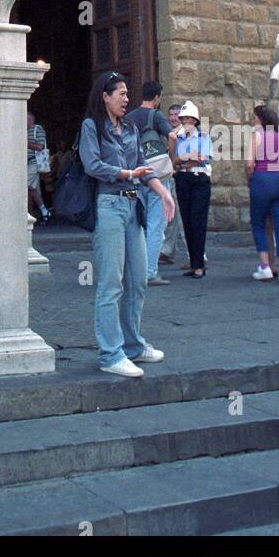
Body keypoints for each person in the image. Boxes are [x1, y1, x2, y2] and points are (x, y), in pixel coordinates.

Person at [80, 70, 175, 377]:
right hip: (108, 205)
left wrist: (162, 193)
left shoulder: (131, 127)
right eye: (120, 93)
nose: (126, 98)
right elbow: (92, 165)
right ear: (104, 97)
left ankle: (133, 345)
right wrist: (125, 175)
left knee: (138, 280)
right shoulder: (92, 126)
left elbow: (142, 168)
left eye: (126, 93)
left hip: (133, 206)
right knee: (111, 283)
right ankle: (110, 354)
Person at [126, 82, 178, 287]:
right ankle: (149, 272)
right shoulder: (155, 115)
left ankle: (135, 268)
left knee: (138, 223)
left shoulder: (128, 117)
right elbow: (173, 136)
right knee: (156, 225)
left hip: (137, 174)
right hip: (158, 175)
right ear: (157, 97)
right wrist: (170, 157)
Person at [245, 103, 279, 284]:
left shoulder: (256, 136)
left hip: (262, 180)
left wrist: (250, 179)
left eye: (254, 118)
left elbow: (249, 163)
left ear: (261, 120)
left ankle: (265, 267)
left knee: (258, 223)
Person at [174, 101, 213, 278]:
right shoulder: (178, 137)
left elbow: (202, 158)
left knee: (198, 221)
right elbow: (173, 159)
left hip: (199, 178)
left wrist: (183, 159)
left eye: (189, 118)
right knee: (187, 221)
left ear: (195, 120)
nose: (185, 121)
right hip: (182, 178)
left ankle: (199, 265)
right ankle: (193, 262)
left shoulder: (203, 137)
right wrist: (187, 158)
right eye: (183, 118)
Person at [158, 102, 185, 267]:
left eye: (177, 114)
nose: (173, 117)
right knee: (172, 216)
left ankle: (197, 256)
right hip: (170, 177)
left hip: (181, 177)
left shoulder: (185, 134)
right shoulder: (167, 133)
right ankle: (167, 250)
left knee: (182, 218)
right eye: (171, 114)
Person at [27, 112, 51, 226]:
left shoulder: (38, 129)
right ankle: (44, 212)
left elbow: (40, 147)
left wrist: (26, 143)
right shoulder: (24, 131)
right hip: (25, 163)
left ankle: (33, 213)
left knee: (24, 185)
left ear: (30, 120)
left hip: (33, 162)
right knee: (32, 189)